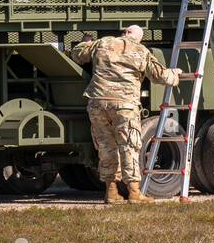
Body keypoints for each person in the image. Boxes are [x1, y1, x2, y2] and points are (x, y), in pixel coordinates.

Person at [71, 24, 182, 205]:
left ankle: (111, 192)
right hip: (124, 106)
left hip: (98, 103)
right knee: (129, 145)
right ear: (138, 37)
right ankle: (134, 192)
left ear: (124, 33)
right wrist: (175, 74)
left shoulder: (103, 42)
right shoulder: (141, 50)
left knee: (106, 147)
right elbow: (161, 76)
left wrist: (85, 42)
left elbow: (77, 54)